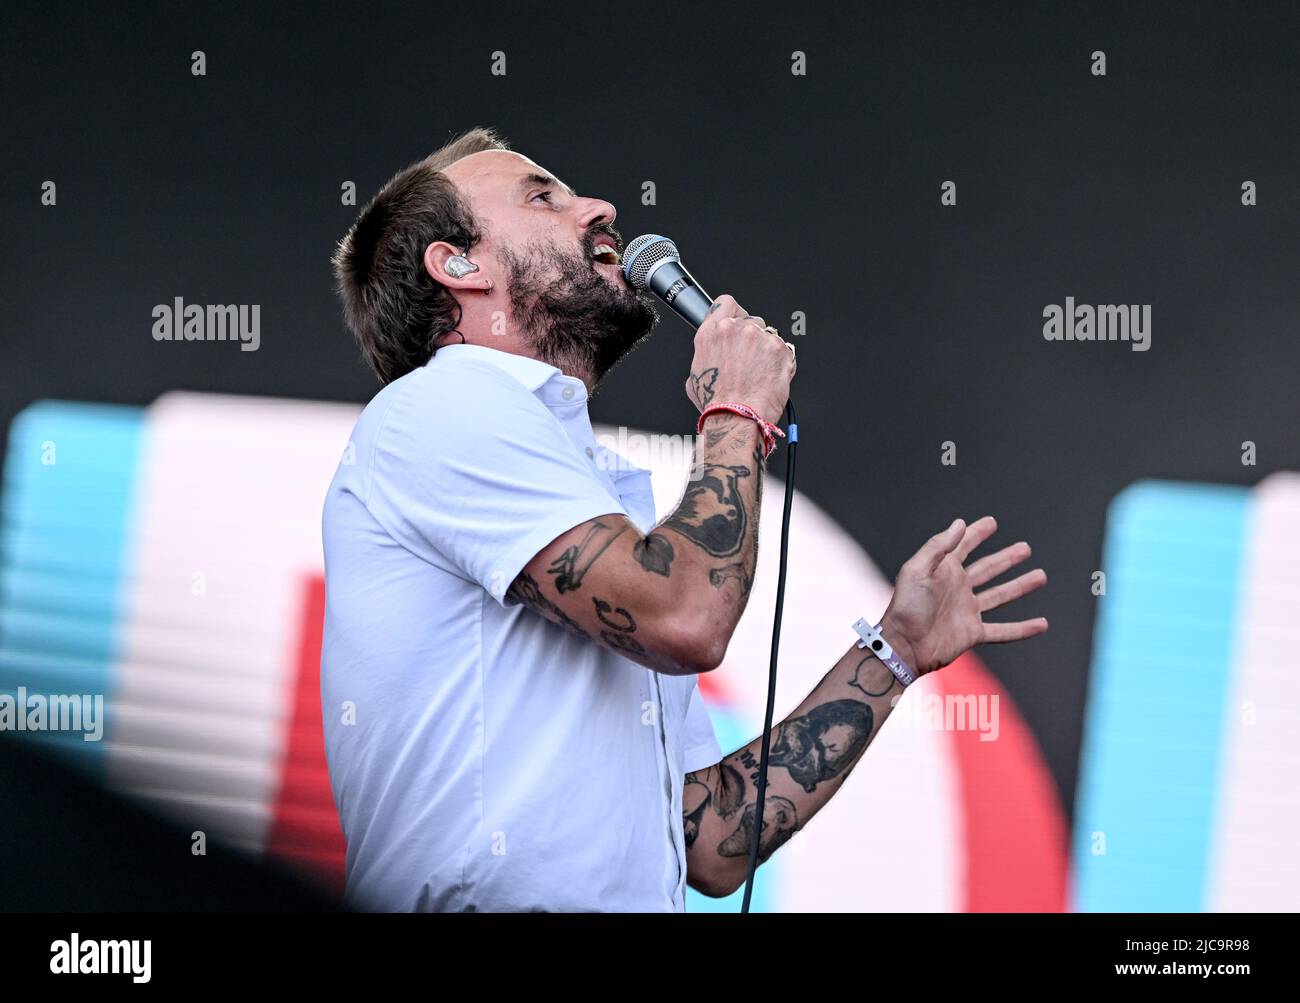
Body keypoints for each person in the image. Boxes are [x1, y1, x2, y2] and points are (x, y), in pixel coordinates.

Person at [321, 127, 1048, 911]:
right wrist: (736, 412)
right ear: (458, 263)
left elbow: (708, 839)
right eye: (542, 195)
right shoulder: (442, 404)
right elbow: (687, 614)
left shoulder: (578, 485)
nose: (598, 208)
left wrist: (893, 651)